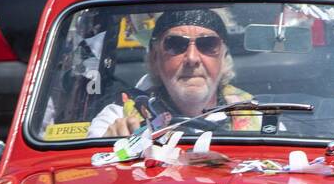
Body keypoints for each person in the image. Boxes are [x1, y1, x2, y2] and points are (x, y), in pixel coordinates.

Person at [87, 9, 256, 138]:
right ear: (154, 58)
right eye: (175, 44)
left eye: (207, 44)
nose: (192, 58)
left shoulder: (259, 119)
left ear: (224, 58)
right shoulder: (117, 117)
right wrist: (107, 149)